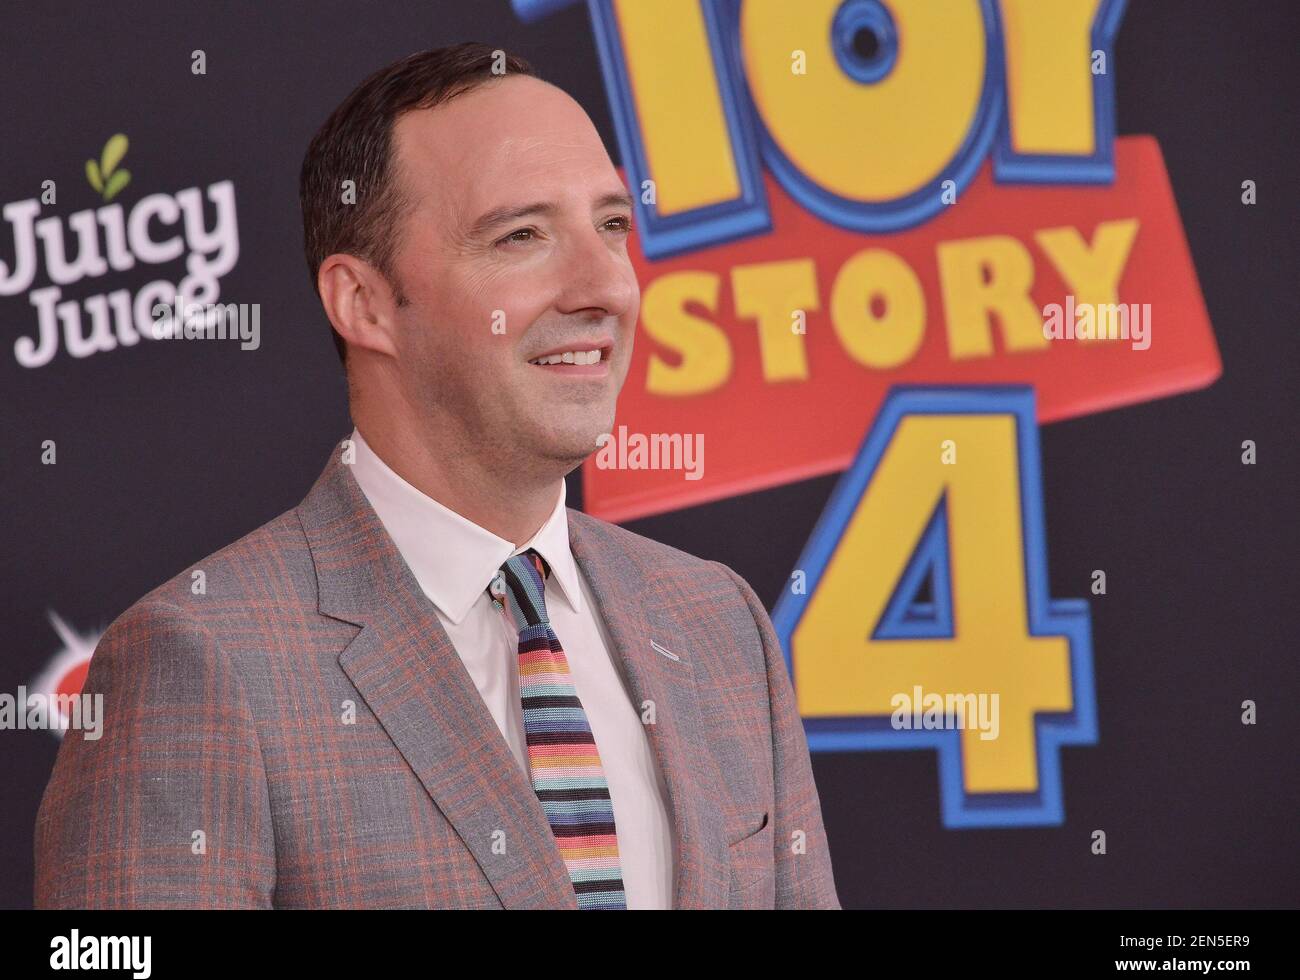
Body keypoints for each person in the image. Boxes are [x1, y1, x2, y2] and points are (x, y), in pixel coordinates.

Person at [34, 42, 840, 910]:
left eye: (612, 225)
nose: (605, 284)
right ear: (364, 303)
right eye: (522, 235)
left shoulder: (722, 625)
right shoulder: (199, 663)